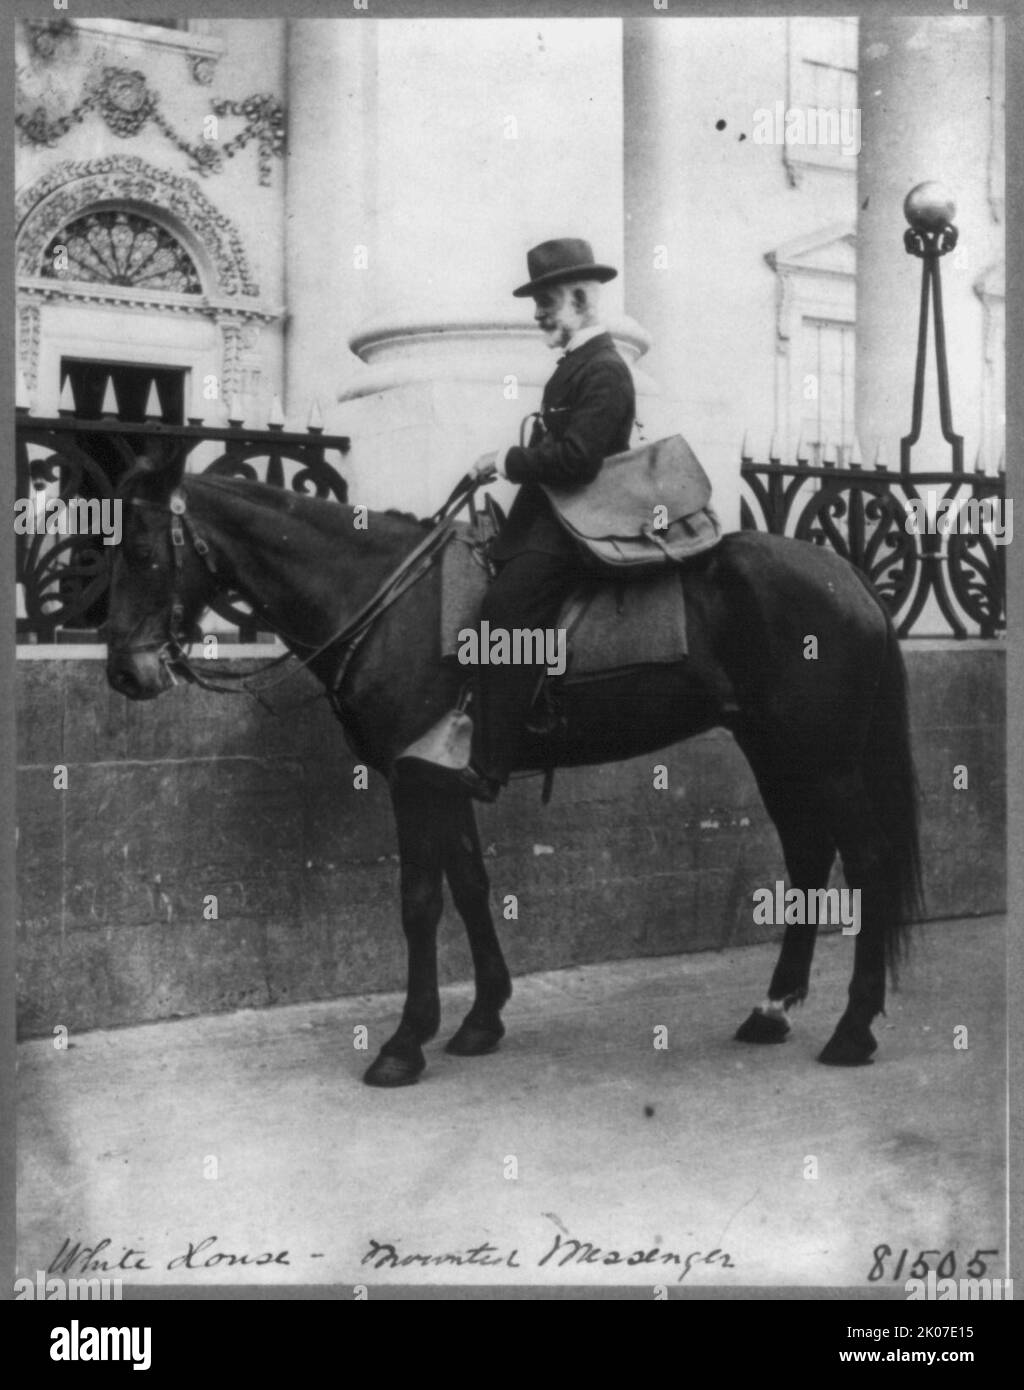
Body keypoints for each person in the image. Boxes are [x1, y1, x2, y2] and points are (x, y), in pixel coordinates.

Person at [459, 238, 636, 800]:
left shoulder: (604, 369)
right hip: (550, 517)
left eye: (547, 302)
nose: (538, 314)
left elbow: (578, 460)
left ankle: (490, 765)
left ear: (582, 301)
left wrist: (505, 460)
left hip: (579, 523)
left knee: (505, 608)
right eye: (537, 302)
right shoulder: (577, 365)